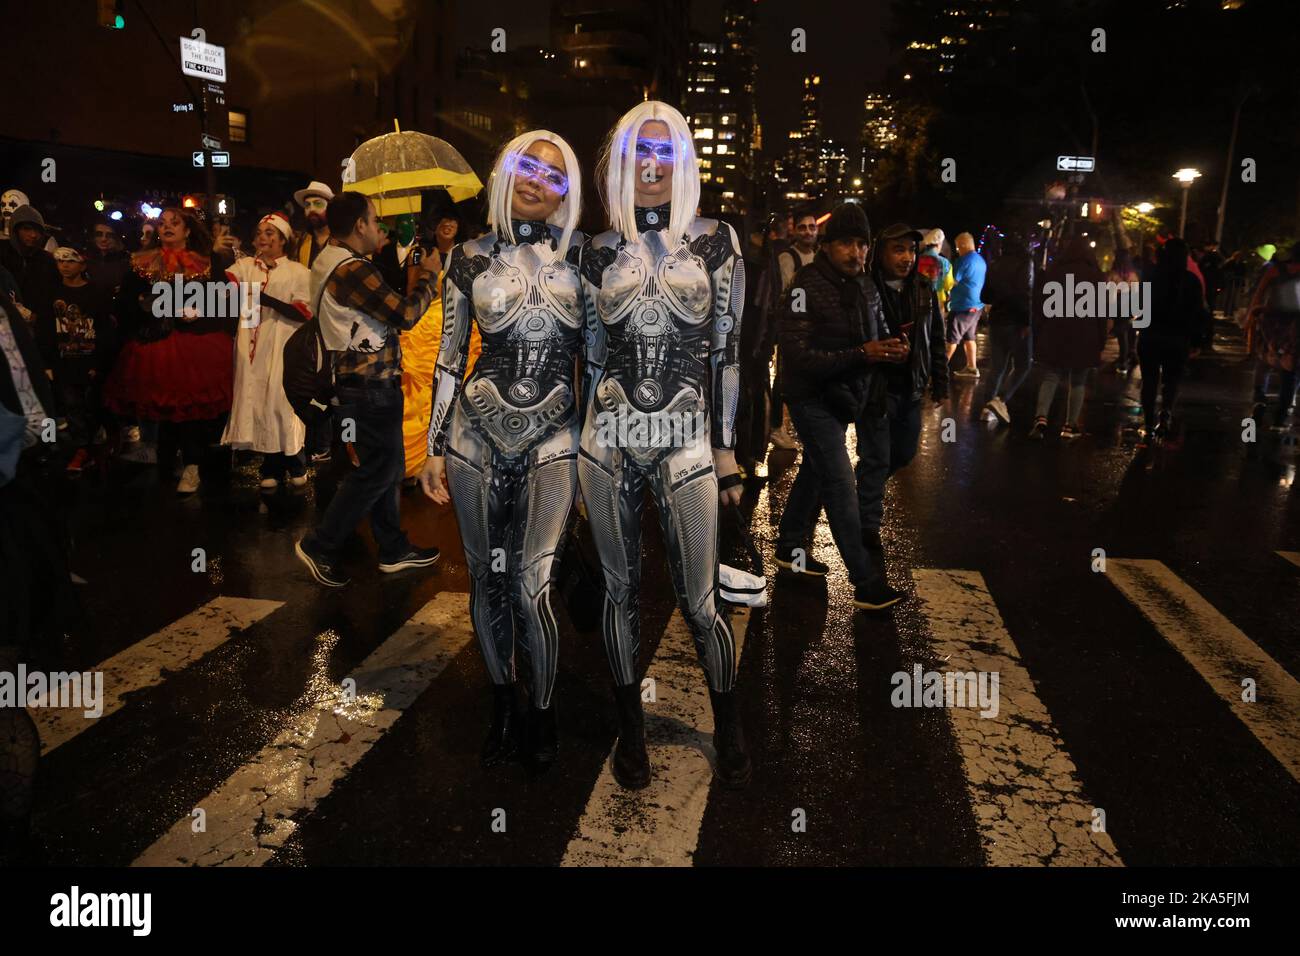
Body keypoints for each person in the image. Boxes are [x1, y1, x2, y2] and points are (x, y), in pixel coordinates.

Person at [579, 100, 750, 791]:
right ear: (620, 165)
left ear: (684, 161)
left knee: (700, 598)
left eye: (665, 152)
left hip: (685, 434)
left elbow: (728, 353)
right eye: (637, 153)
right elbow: (591, 360)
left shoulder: (716, 239)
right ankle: (630, 729)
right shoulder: (595, 248)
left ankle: (729, 722)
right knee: (619, 593)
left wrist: (728, 450)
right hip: (608, 437)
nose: (651, 165)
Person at [420, 130, 584, 773]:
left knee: (533, 581)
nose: (535, 179)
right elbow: (450, 356)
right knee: (487, 580)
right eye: (525, 165)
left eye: (552, 174)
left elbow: (595, 365)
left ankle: (542, 710)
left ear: (566, 193)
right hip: (472, 436)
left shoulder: (585, 263)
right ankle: (503, 706)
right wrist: (434, 445)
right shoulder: (465, 256)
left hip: (556, 437)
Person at [294, 191, 441, 587]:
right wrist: (428, 276)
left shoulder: (330, 258)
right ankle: (321, 544)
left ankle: (392, 547)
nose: (379, 228)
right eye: (375, 221)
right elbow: (405, 314)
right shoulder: (352, 269)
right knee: (378, 471)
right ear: (359, 224)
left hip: (358, 384)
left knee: (387, 468)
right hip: (369, 385)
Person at [773, 204, 906, 610]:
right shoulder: (803, 286)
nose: (857, 252)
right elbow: (797, 357)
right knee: (839, 480)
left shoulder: (865, 285)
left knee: (816, 472)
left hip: (848, 396)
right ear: (828, 246)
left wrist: (894, 349)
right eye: (847, 243)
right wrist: (862, 353)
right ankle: (866, 583)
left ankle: (790, 545)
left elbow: (879, 332)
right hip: (811, 397)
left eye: (863, 244)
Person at [102, 207, 234, 493]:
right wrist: (146, 307)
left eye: (175, 223)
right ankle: (166, 461)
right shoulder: (141, 262)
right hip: (158, 344)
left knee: (190, 408)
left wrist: (201, 310)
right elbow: (125, 304)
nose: (167, 227)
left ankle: (192, 464)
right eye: (162, 223)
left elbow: (226, 298)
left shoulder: (207, 262)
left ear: (187, 230)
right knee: (166, 407)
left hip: (197, 344)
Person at [859, 222, 949, 567]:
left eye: (911, 250)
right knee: (877, 457)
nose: (907, 258)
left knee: (905, 451)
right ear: (881, 253)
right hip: (876, 390)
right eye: (898, 250)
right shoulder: (866, 289)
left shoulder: (924, 289)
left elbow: (936, 339)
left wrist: (940, 382)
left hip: (910, 389)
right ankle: (867, 527)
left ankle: (863, 486)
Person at [222, 212, 312, 489]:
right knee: (260, 403)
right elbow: (223, 288)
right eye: (260, 233)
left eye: (270, 233)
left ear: (284, 239)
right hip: (253, 346)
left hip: (283, 346)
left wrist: (266, 299)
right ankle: (270, 465)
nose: (263, 238)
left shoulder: (298, 271)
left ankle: (296, 461)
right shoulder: (245, 266)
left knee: (282, 403)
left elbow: (303, 312)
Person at [1028, 238, 1108, 440]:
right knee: (1079, 381)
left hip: (1055, 332)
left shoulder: (1053, 273)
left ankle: (1041, 417)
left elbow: (1040, 307)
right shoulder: (1096, 277)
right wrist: (1101, 340)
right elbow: (1101, 312)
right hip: (1085, 335)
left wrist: (1038, 332)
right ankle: (1070, 425)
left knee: (1050, 376)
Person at [50, 248, 115, 473]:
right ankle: (82, 447)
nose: (65, 265)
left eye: (70, 261)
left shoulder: (95, 293)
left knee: (92, 405)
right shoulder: (53, 292)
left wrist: (99, 363)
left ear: (82, 265)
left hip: (89, 359)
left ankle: (99, 445)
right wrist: (48, 363)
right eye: (60, 261)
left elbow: (105, 329)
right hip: (65, 360)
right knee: (72, 406)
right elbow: (46, 330)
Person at [979, 229, 1035, 424]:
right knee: (1023, 365)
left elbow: (984, 296)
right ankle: (1000, 399)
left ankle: (987, 408)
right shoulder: (1025, 263)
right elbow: (1025, 294)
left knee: (998, 367)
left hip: (997, 321)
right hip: (1017, 322)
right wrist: (1027, 322)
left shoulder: (995, 265)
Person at [1244, 241, 1300, 429]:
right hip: (1294, 324)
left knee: (1264, 361)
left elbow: (1258, 294)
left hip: (1270, 320)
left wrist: (1250, 315)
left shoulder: (1275, 270)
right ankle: (1280, 416)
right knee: (1290, 369)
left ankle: (1259, 397)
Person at [945, 231, 986, 377]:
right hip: (976, 306)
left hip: (962, 307)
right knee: (969, 338)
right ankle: (972, 367)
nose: (957, 250)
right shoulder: (981, 260)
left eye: (957, 247)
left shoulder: (963, 261)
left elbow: (952, 282)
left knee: (951, 341)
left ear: (963, 245)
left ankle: (938, 372)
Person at [83, 217, 130, 300]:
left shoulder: (126, 260)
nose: (103, 239)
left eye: (109, 235)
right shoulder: (86, 258)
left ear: (117, 237)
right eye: (99, 234)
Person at [291, 181, 334, 268]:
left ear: (331, 208)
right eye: (307, 205)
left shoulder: (343, 238)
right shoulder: (300, 241)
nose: (311, 209)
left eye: (318, 204)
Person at [917, 229, 955, 315]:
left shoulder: (917, 260)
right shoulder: (945, 263)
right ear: (939, 244)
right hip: (937, 302)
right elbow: (948, 285)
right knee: (937, 327)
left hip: (919, 301)